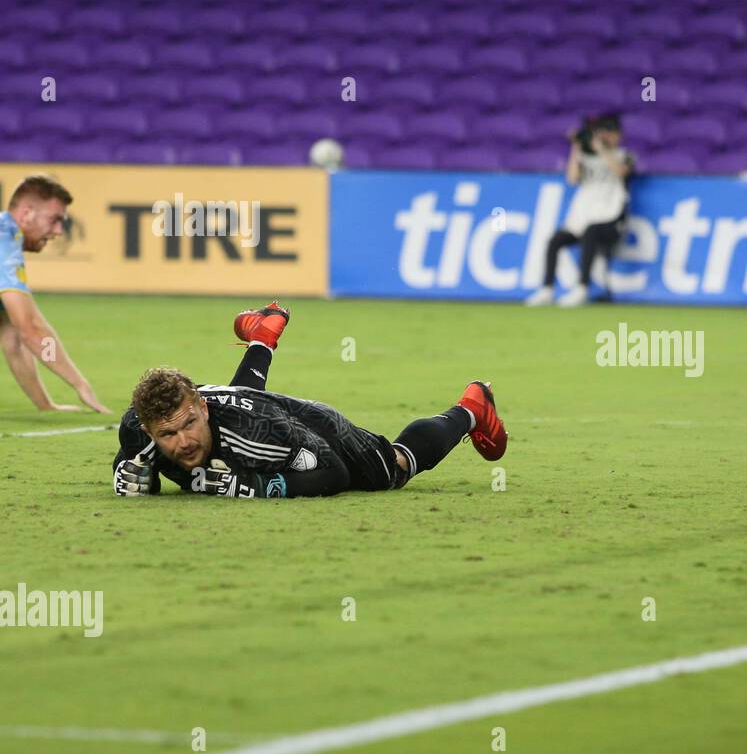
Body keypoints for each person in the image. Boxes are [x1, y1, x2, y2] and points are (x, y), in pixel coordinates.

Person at [112, 301, 508, 498]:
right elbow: (130, 456)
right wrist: (130, 475)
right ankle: (263, 336)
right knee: (239, 415)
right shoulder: (138, 427)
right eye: (167, 434)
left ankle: (470, 409)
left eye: (188, 425)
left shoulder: (265, 431)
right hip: (244, 412)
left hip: (319, 429)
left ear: (200, 406)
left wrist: (252, 484)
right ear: (148, 429)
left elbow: (333, 473)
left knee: (391, 470)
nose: (183, 442)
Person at [0, 174, 110, 412]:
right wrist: (79, 383)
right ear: (27, 213)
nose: (59, 231)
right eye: (54, 220)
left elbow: (16, 339)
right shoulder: (5, 243)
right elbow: (32, 331)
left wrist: (45, 405)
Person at [525, 113, 635, 308]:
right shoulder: (585, 156)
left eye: (610, 133)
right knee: (555, 240)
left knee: (591, 232)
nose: (606, 137)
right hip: (584, 216)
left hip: (612, 219)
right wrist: (576, 147)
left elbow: (620, 172)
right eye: (603, 133)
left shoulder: (624, 155)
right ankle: (547, 289)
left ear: (618, 135)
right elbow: (573, 178)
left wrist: (601, 149)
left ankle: (582, 288)